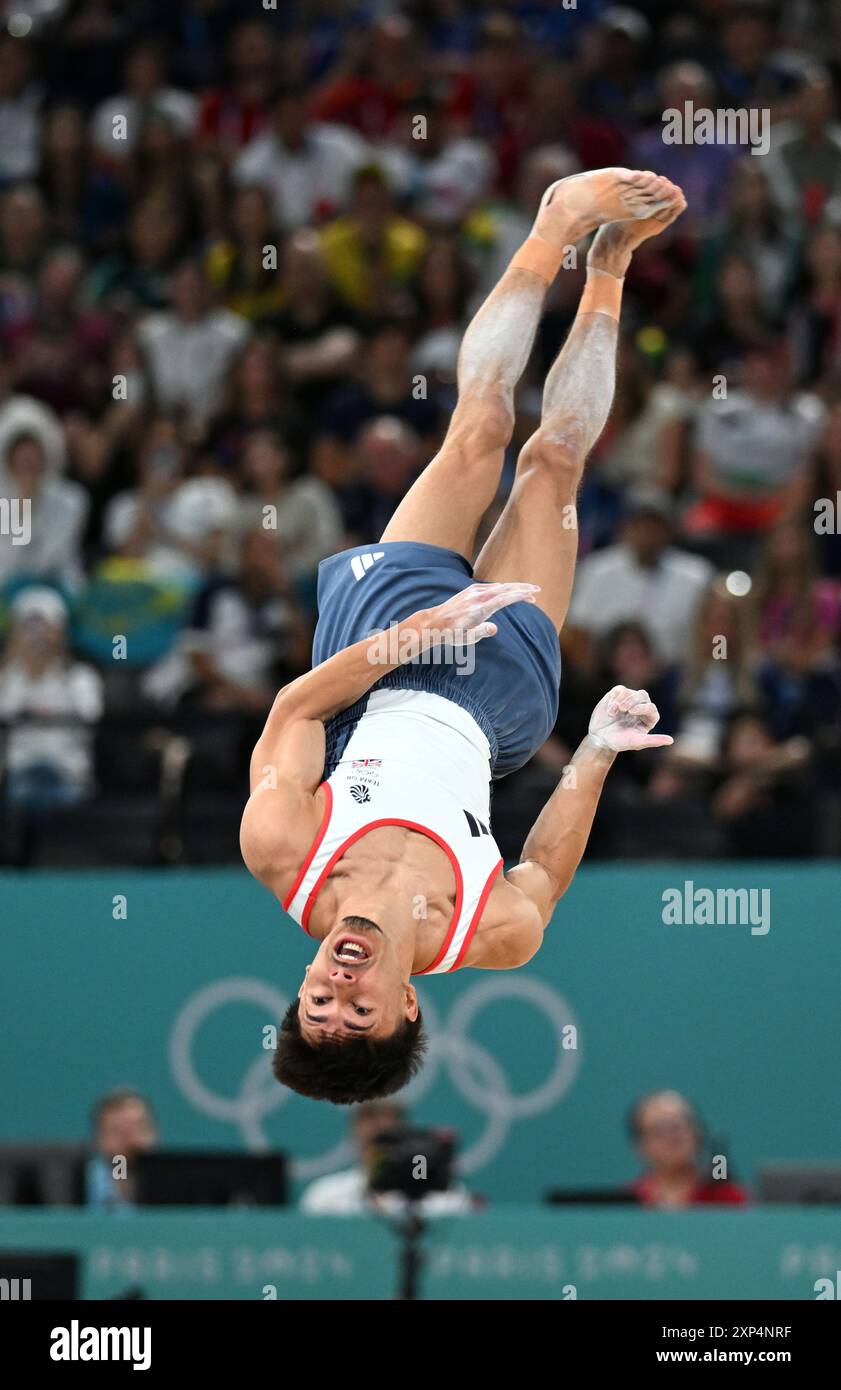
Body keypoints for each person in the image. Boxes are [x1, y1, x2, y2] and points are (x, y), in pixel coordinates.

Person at [240, 168, 686, 1104]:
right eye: (355, 1013)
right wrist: (595, 755)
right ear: (407, 1009)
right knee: (551, 466)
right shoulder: (488, 936)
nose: (336, 985)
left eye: (315, 1002)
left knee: (478, 430)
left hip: (376, 659)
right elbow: (542, 872)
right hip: (499, 712)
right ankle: (608, 264)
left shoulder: (281, 852)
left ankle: (552, 224)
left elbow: (295, 704)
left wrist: (413, 635)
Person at [299, 1101, 474, 1216]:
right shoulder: (324, 1198)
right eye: (368, 1117)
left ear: (405, 1130)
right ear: (353, 1131)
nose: (378, 1126)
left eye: (387, 1117)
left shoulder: (447, 1197)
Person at [627, 1090, 749, 1207]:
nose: (673, 1137)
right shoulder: (628, 1202)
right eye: (660, 1129)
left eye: (679, 1126)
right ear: (640, 1144)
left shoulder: (726, 1198)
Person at [85, 1089, 158, 1211]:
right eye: (119, 1131)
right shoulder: (79, 1184)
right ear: (99, 1138)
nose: (131, 1139)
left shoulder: (176, 1186)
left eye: (139, 1128)